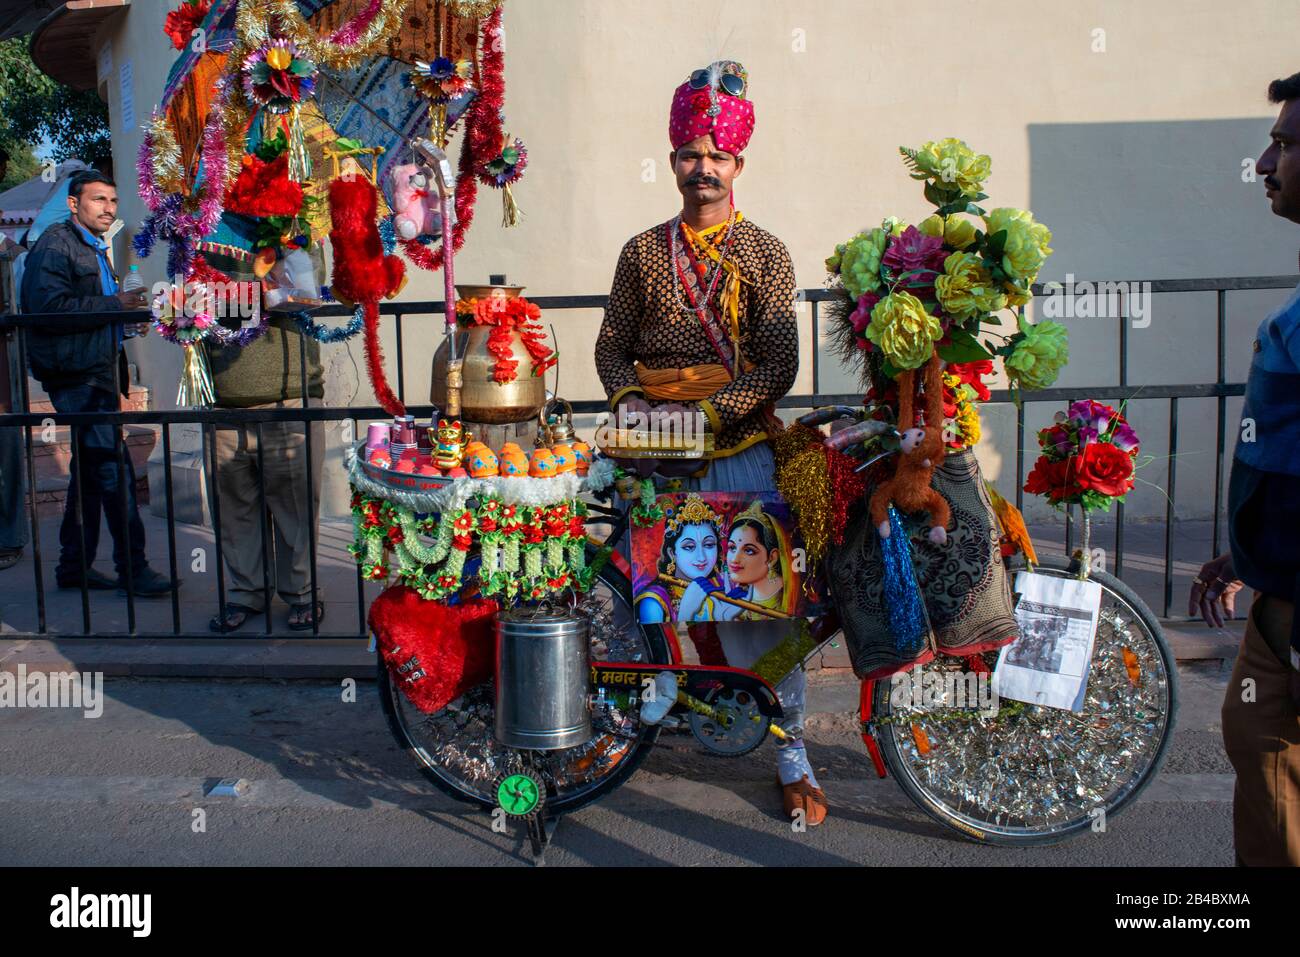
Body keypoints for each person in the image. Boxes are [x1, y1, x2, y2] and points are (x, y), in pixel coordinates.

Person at [595, 61, 825, 824]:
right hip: (657, 453)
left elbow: (780, 362)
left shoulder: (765, 252)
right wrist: (638, 411)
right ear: (672, 163)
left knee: (763, 608)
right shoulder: (639, 254)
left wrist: (712, 417)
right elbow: (609, 349)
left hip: (740, 447)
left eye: (717, 157)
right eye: (691, 155)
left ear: (738, 166)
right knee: (648, 598)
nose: (704, 169)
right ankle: (630, 727)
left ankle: (791, 750)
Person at [1193, 71, 1300, 866]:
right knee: (1257, 746)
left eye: (1286, 143)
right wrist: (1249, 549)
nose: (1264, 162)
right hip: (1278, 595)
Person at [19, 171, 178, 597]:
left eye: (113, 199)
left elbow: (93, 313)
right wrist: (114, 304)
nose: (109, 208)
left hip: (97, 370)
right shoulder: (57, 246)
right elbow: (48, 308)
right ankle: (134, 567)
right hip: (76, 377)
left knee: (90, 473)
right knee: (114, 468)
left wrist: (126, 324)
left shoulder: (93, 246)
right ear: (74, 204)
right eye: (98, 200)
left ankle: (73, 566)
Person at [204, 304, 326, 633]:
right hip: (221, 399)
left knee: (294, 504)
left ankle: (302, 592)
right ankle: (247, 591)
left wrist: (218, 294)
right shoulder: (194, 249)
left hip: (287, 395)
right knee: (232, 507)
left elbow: (301, 292)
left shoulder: (298, 247)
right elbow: (181, 296)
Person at [636, 493, 724, 623]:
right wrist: (685, 613)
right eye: (689, 547)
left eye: (709, 545)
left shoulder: (719, 587)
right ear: (672, 553)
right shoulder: (653, 602)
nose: (701, 557)